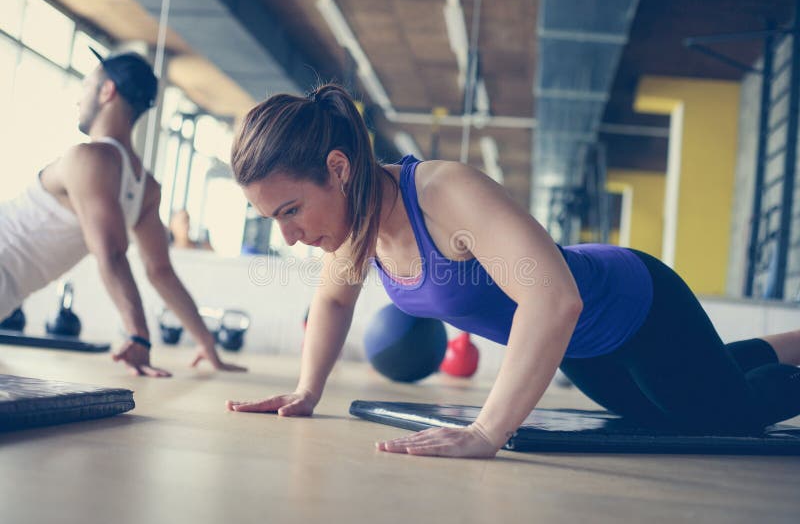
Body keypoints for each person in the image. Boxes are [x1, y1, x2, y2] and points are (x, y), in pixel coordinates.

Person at [224, 83, 800, 458]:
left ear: (338, 167)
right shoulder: (356, 231)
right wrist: (306, 390)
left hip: (637, 308)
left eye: (291, 210)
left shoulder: (444, 194)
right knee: (660, 410)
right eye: (275, 218)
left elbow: (554, 301)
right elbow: (332, 303)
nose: (290, 235)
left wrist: (486, 432)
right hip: (582, 348)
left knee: (722, 418)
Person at [0, 49, 245, 376]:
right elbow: (155, 270)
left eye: (86, 85)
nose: (78, 99)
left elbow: (122, 256)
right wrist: (200, 341)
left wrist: (148, 337)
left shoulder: (93, 159)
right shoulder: (145, 186)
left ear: (107, 91)